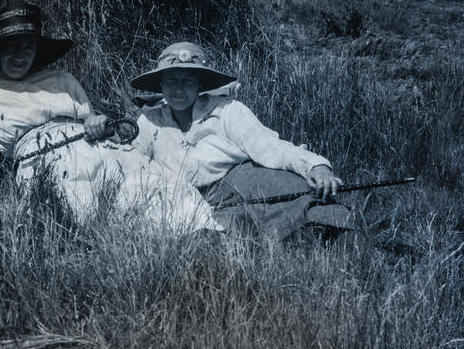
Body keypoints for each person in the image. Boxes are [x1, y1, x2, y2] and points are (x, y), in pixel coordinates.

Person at [0, 6, 219, 233]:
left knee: (150, 178)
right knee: (84, 203)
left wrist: (99, 125)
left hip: (92, 146)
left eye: (27, 48)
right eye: (10, 47)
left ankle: (201, 232)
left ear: (36, 51)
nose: (19, 56)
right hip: (42, 161)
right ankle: (132, 241)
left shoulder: (63, 80)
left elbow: (91, 121)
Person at [130, 41, 354, 239]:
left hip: (246, 178)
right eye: (171, 79)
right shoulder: (149, 121)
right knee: (219, 236)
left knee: (308, 198)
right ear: (160, 84)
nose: (179, 88)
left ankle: (342, 241)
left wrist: (317, 166)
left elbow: (270, 146)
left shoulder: (228, 110)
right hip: (191, 198)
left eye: (188, 80)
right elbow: (132, 165)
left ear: (201, 85)